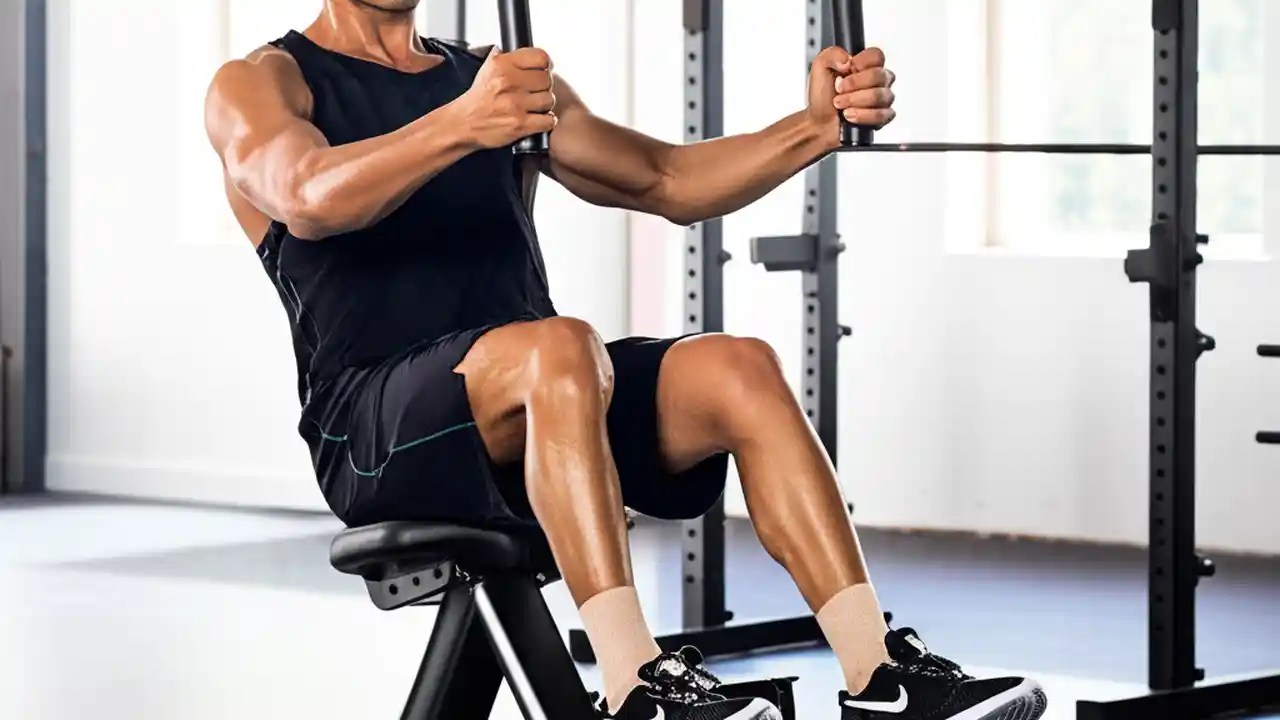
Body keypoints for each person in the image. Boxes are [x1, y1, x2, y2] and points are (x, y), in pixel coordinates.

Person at [204, 1, 1047, 719]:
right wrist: (462, 124)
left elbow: (666, 179)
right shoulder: (263, 82)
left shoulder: (492, 78)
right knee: (560, 345)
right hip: (378, 430)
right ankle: (631, 685)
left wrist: (816, 126)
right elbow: (307, 196)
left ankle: (881, 679)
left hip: (546, 399)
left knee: (736, 366)